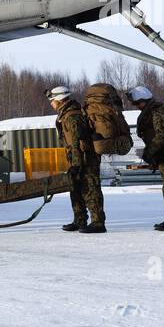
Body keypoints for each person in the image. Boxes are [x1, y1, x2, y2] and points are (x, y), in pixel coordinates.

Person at [48, 85, 106, 233]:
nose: (51, 103)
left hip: (86, 159)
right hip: (76, 158)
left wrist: (76, 163)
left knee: (91, 189)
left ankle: (98, 223)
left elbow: (76, 141)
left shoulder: (72, 115)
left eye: (52, 99)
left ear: (60, 99)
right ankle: (80, 220)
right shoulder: (65, 114)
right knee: (75, 189)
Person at [129, 85, 164, 231]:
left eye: (136, 103)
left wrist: (150, 152)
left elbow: (162, 135)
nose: (136, 107)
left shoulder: (158, 111)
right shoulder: (151, 112)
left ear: (142, 100)